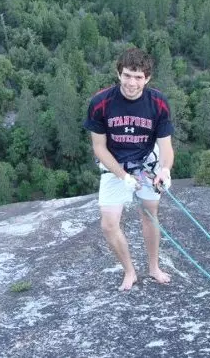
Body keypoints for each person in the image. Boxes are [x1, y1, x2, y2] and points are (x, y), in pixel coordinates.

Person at [84, 47, 175, 291]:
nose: (132, 83)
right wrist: (122, 176)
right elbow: (99, 148)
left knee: (149, 214)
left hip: (147, 161)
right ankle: (130, 271)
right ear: (118, 73)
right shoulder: (100, 103)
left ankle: (153, 267)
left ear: (147, 78)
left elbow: (165, 146)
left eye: (138, 77)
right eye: (127, 75)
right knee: (108, 224)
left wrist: (165, 170)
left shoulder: (158, 103)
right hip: (114, 165)